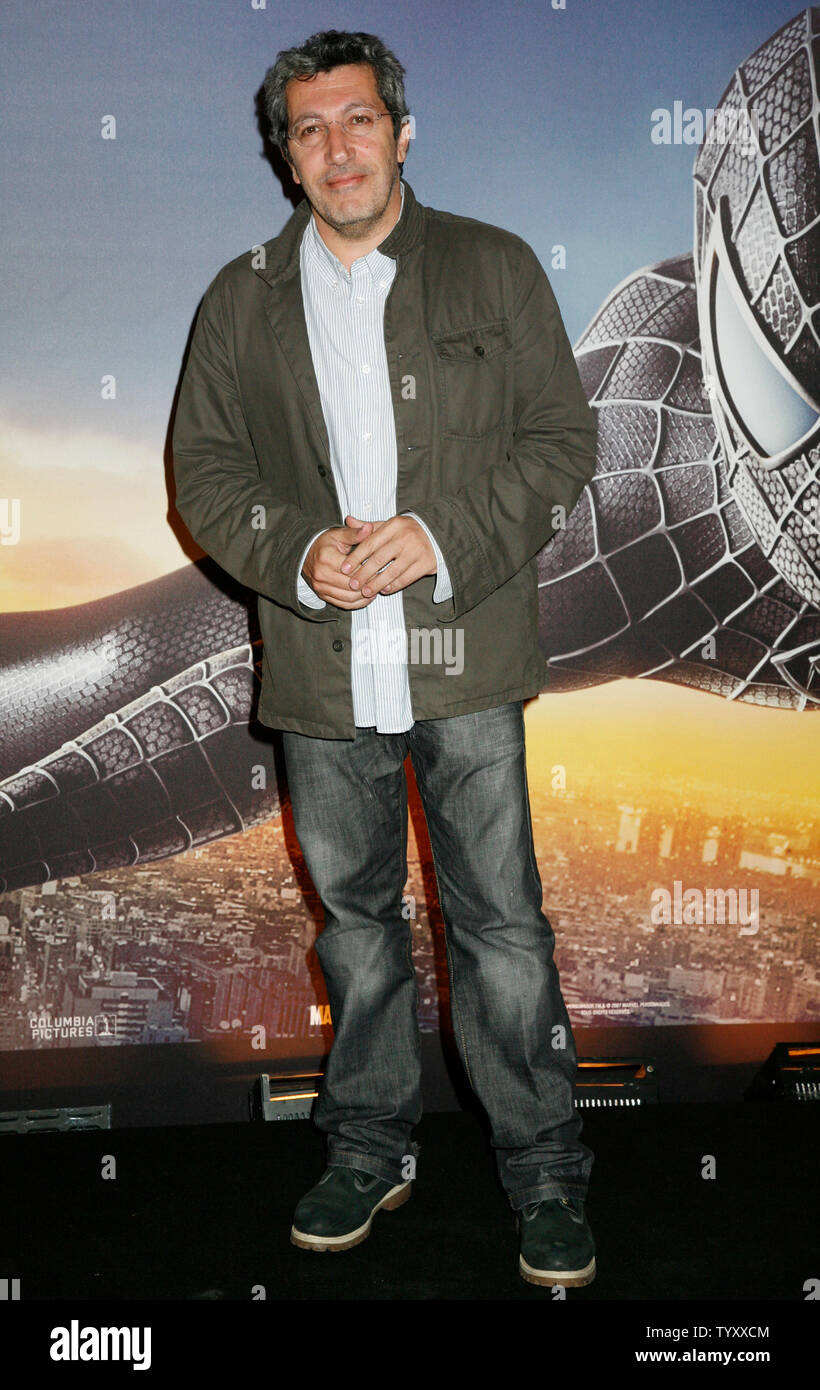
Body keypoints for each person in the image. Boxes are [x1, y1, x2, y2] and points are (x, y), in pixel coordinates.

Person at [172, 28, 598, 1288]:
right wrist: (301, 553)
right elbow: (204, 470)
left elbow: (562, 442)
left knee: (503, 933)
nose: (336, 147)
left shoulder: (496, 266)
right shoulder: (238, 295)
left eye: (357, 121)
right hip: (316, 665)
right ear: (285, 155)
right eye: (308, 129)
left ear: (402, 134)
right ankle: (368, 1146)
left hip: (461, 657)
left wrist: (437, 537)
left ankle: (546, 1175)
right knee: (354, 929)